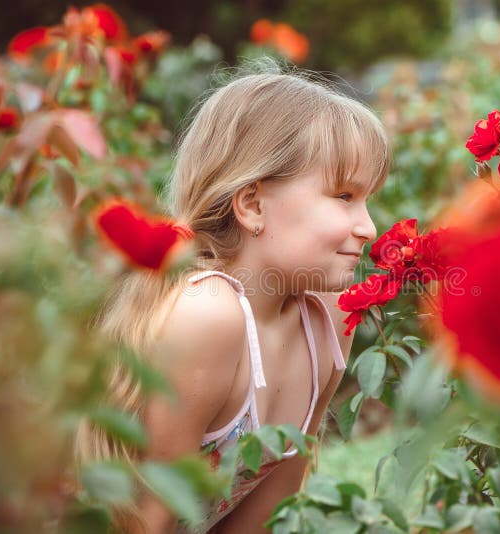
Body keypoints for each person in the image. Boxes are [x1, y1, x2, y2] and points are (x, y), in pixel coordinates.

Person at [75, 63, 390, 533]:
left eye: (367, 200)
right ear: (252, 205)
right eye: (344, 195)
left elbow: (266, 517)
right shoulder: (208, 315)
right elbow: (146, 520)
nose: (369, 227)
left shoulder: (323, 322)